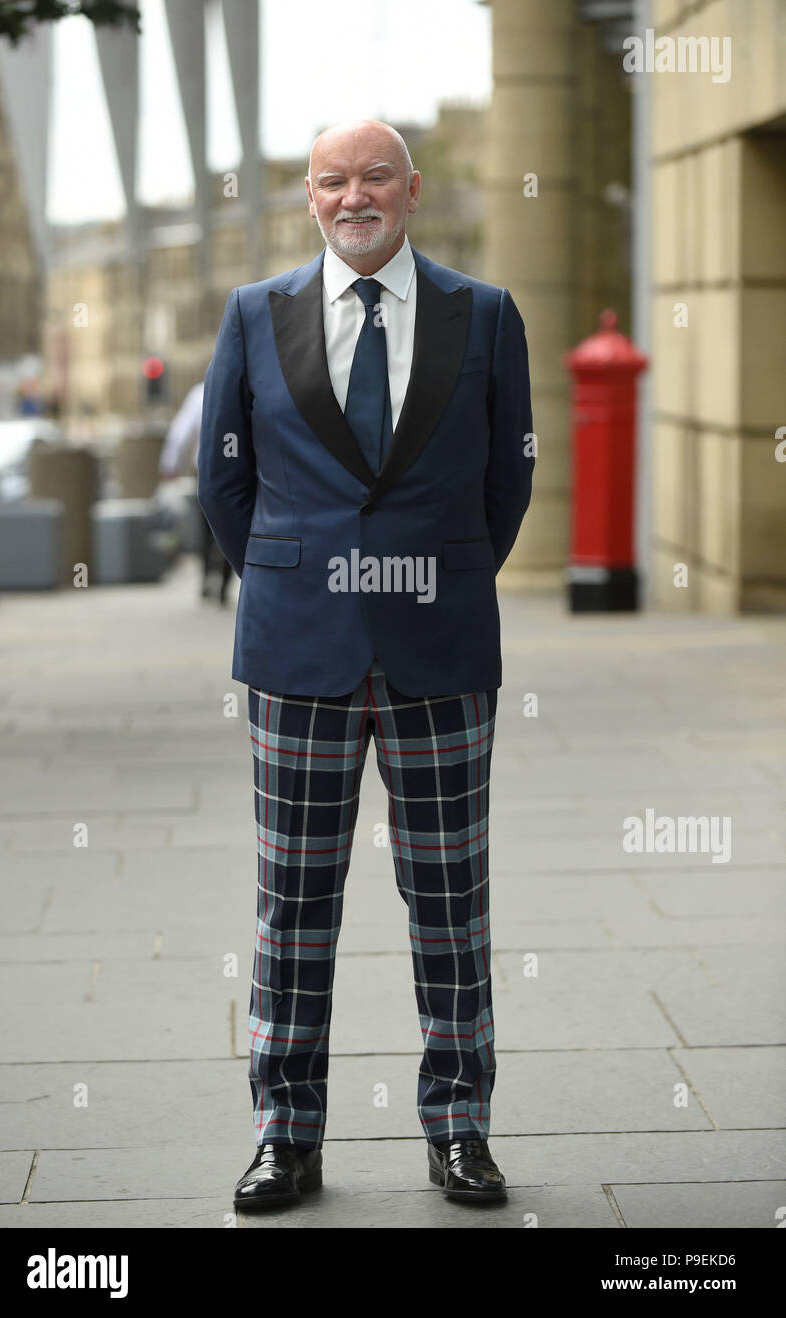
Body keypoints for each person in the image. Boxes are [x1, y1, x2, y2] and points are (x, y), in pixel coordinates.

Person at [198, 119, 534, 1209]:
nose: (355, 195)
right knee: (292, 900)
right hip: (298, 648)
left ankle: (457, 1132)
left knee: (449, 898)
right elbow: (224, 483)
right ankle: (285, 1136)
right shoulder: (255, 315)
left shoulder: (484, 314)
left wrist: (438, 572)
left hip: (441, 644)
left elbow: (505, 484)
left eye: (374, 176)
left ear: (411, 189)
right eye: (334, 180)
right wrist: (298, 582)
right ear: (310, 198)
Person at [158, 380, 232, 603]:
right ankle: (224, 583)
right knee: (231, 525)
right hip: (236, 470)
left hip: (207, 470)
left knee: (207, 528)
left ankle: (206, 577)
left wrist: (170, 464)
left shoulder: (199, 394)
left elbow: (181, 432)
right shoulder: (239, 387)